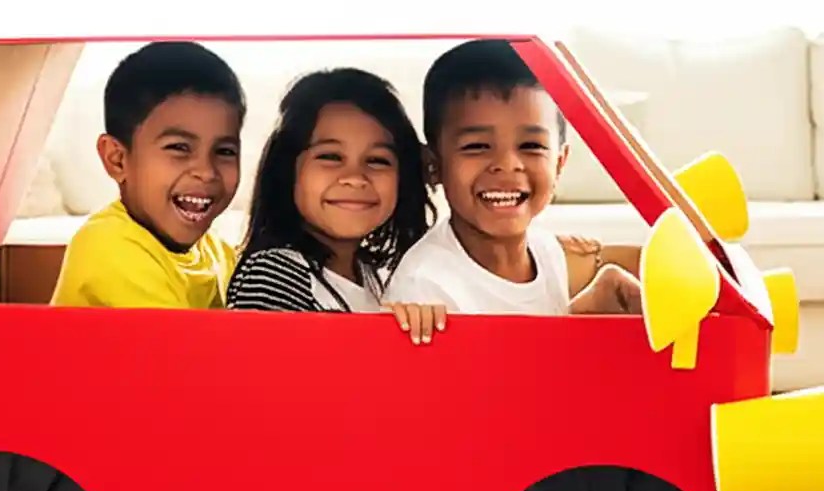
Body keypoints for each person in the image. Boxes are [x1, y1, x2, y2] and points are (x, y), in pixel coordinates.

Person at [384, 38, 643, 316]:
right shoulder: (426, 289)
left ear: (559, 164)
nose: (507, 165)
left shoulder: (545, 249)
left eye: (531, 146)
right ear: (433, 165)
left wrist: (593, 301)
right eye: (477, 146)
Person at [226, 67, 446, 343]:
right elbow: (270, 377)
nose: (355, 178)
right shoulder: (275, 272)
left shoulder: (377, 276)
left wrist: (413, 330)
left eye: (378, 160)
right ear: (287, 169)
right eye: (330, 156)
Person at [51, 41, 245, 309]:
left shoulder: (216, 251)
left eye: (224, 151)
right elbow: (187, 350)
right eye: (179, 148)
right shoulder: (110, 249)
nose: (206, 172)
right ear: (117, 160)